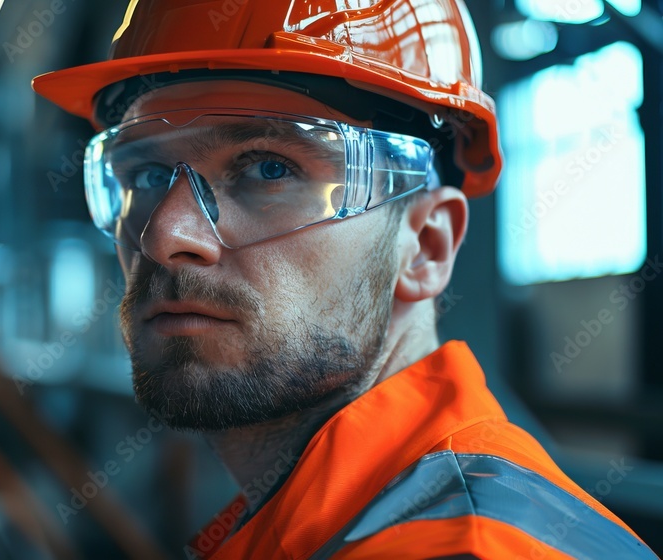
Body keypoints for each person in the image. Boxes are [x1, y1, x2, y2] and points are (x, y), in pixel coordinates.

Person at [33, 1, 657, 558]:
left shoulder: (462, 547)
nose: (166, 236)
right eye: (144, 175)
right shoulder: (318, 521)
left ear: (427, 248)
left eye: (268, 168)